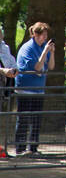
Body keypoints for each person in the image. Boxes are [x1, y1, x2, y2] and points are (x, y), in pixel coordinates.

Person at [14, 23, 54, 155]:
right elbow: (37, 67)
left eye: (46, 35)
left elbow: (51, 66)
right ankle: (20, 148)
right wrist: (44, 52)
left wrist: (51, 53)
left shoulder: (44, 47)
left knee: (36, 119)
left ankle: (33, 148)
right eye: (42, 35)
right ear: (35, 34)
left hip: (39, 89)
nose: (44, 37)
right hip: (26, 89)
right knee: (24, 118)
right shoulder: (28, 48)